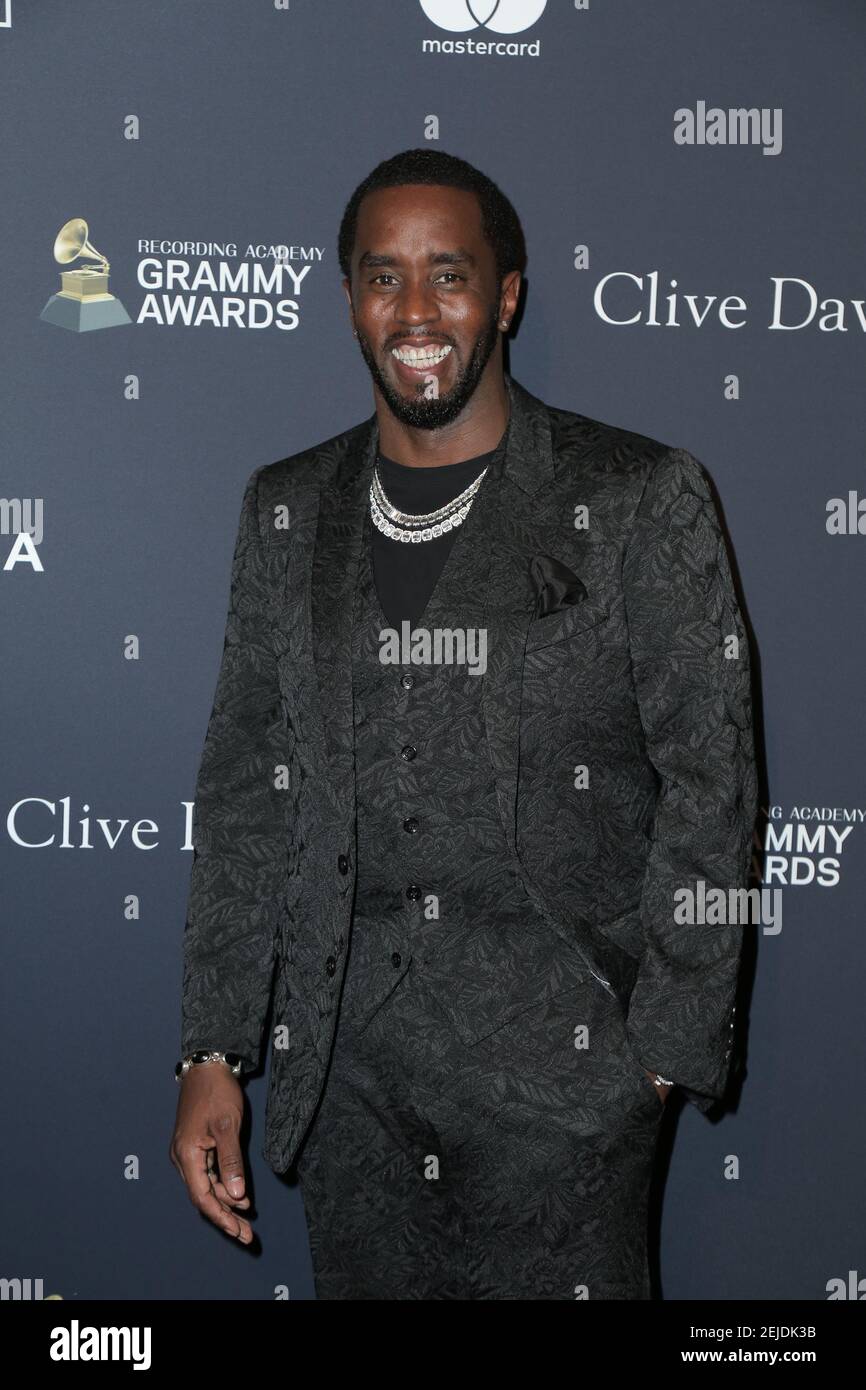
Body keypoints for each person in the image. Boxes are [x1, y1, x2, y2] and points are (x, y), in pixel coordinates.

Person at [170, 147, 757, 1300]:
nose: (415, 310)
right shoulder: (285, 509)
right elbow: (248, 788)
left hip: (568, 1083)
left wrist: (654, 1061)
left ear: (505, 294)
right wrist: (212, 1048)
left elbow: (713, 785)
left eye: (449, 273)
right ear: (348, 299)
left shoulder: (635, 494)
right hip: (349, 1085)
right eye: (382, 276)